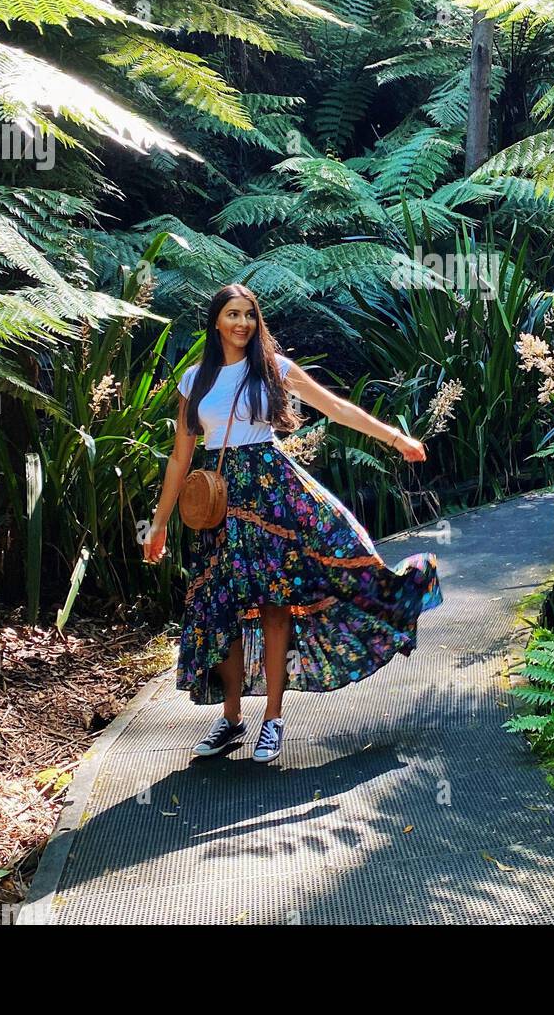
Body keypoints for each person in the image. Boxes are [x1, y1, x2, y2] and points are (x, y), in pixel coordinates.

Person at [142, 283, 442, 764]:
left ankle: (273, 720)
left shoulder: (275, 369)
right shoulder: (195, 381)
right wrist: (157, 524)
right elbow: (180, 457)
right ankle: (231, 719)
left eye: (250, 316)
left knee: (275, 602)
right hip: (220, 505)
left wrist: (393, 437)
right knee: (223, 607)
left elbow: (335, 407)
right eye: (233, 314)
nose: (243, 324)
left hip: (274, 494)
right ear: (216, 321)